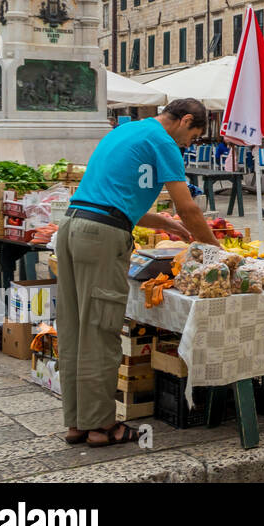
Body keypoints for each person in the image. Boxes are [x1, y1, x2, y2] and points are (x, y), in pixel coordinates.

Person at [57, 99, 217, 448]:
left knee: (74, 328)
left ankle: (77, 422)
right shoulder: (163, 141)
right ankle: (101, 427)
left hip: (71, 227)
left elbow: (107, 194)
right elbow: (187, 206)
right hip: (101, 238)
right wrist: (216, 251)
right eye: (192, 136)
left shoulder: (127, 130)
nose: (188, 145)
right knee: (101, 330)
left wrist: (159, 221)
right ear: (186, 120)